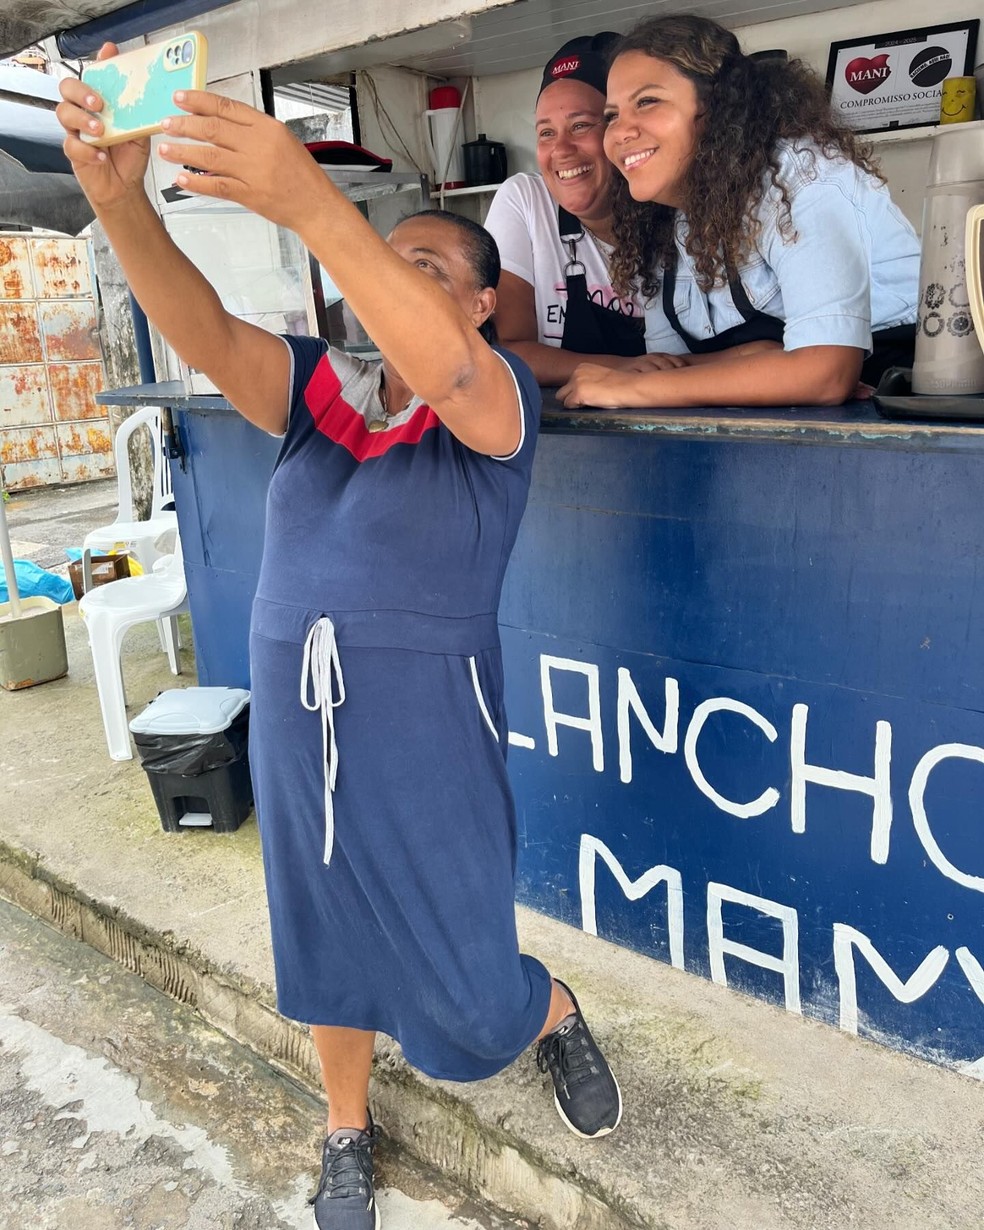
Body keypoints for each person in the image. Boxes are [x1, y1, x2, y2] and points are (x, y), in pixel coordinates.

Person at [57, 47, 622, 1230]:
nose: (386, 280)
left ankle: (544, 1009)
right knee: (321, 931)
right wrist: (120, 205)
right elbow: (207, 333)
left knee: (466, 992)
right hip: (294, 706)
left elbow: (445, 363)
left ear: (479, 302)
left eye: (425, 268)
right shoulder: (324, 393)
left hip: (428, 721)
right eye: (381, 261)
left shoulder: (493, 397)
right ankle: (345, 1127)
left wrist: (317, 206)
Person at [557, 15, 921, 411]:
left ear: (716, 107)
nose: (621, 132)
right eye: (612, 115)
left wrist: (627, 388)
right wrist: (758, 358)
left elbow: (827, 373)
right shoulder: (659, 221)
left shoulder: (799, 178)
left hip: (906, 405)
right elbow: (669, 367)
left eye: (647, 102)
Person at [484, 33, 650, 383]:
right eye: (546, 133)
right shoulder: (526, 200)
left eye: (580, 126)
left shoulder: (671, 211)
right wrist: (623, 372)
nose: (560, 149)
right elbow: (506, 350)